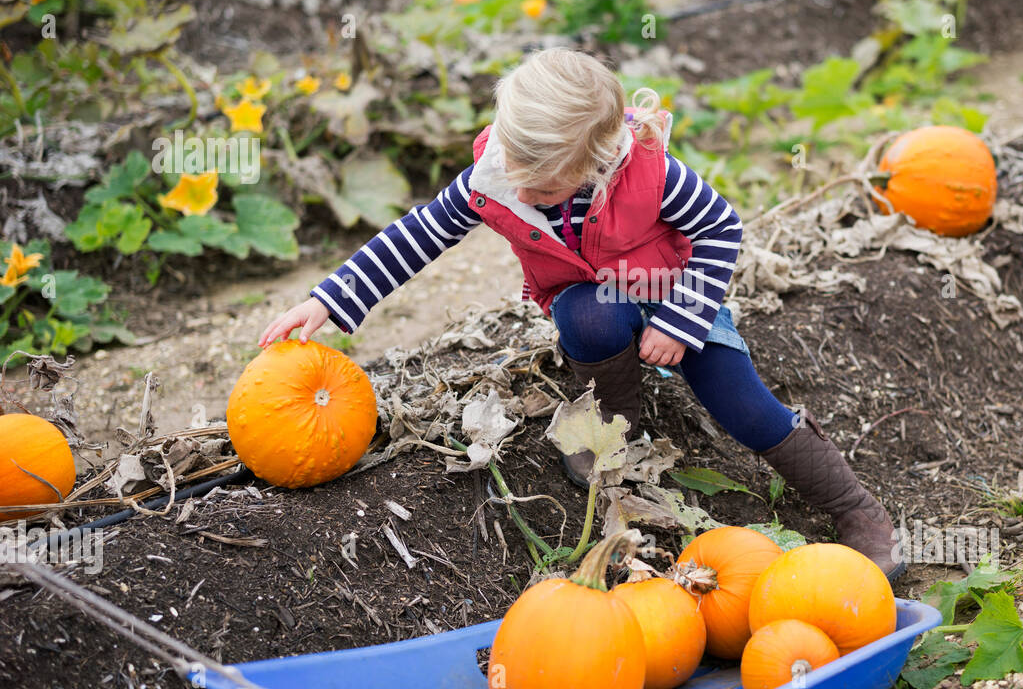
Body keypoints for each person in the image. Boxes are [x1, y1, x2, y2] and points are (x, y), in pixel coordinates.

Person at [258, 47, 904, 581]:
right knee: (587, 318)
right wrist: (328, 300)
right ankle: (612, 429)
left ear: (596, 161)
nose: (518, 184)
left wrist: (680, 320)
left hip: (677, 290)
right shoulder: (497, 174)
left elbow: (720, 229)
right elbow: (417, 237)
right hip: (593, 299)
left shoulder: (650, 171)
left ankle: (854, 507)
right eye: (512, 164)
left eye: (541, 186)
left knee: (742, 404)